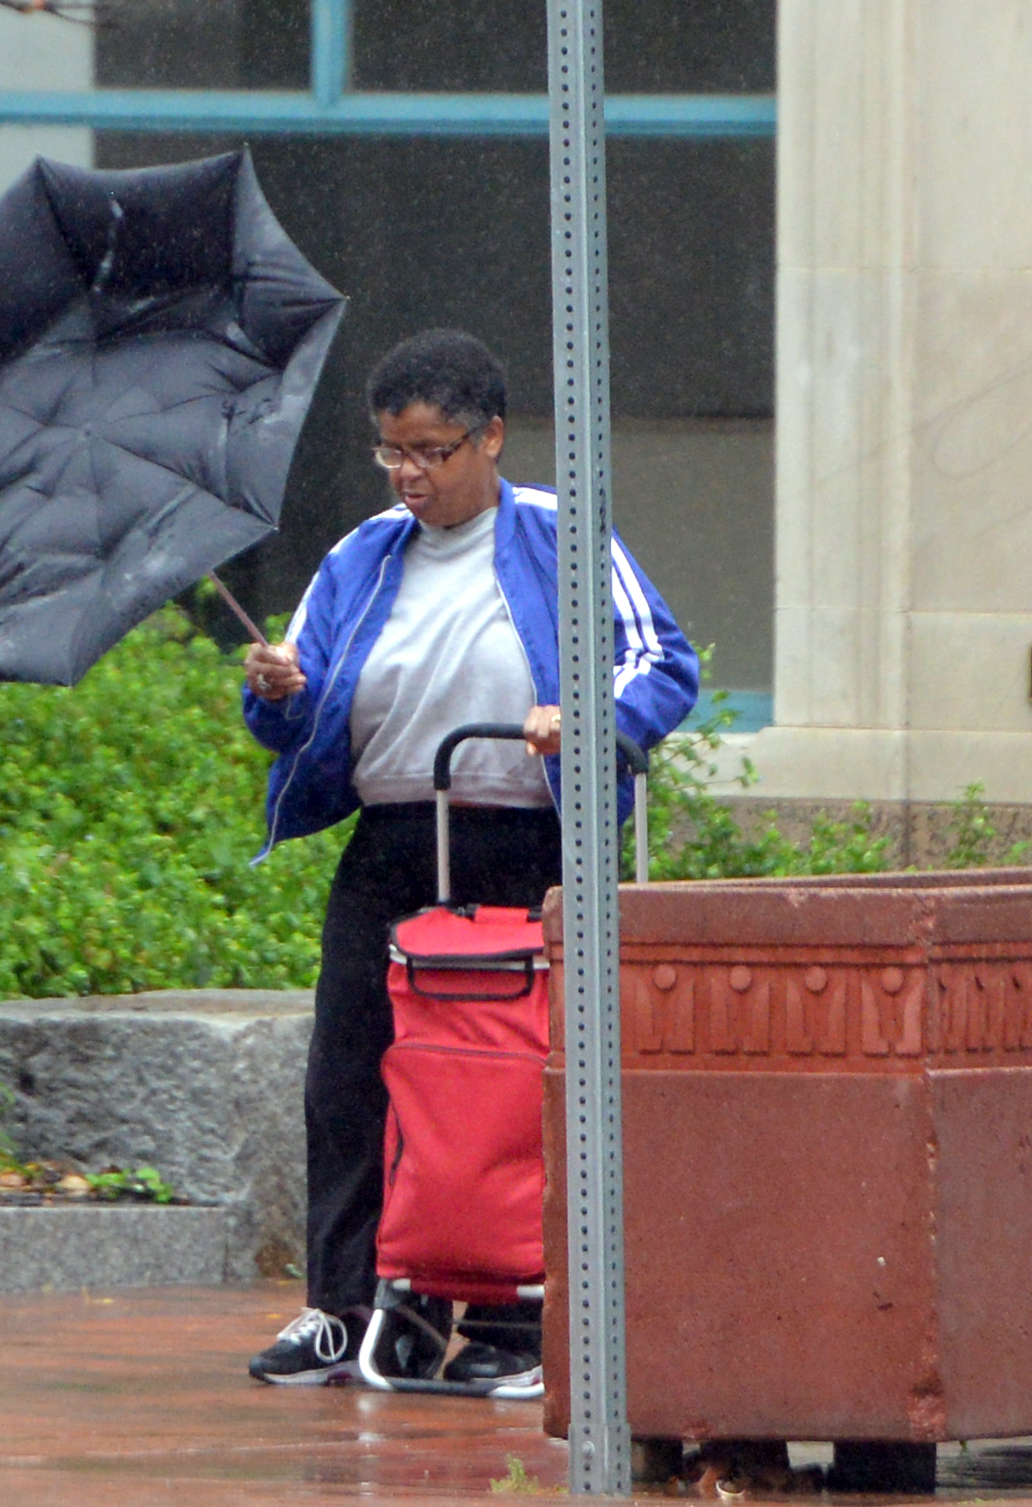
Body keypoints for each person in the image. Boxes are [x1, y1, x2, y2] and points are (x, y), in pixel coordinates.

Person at [240, 329, 697, 1389]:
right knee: (349, 1072)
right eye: (391, 453)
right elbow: (298, 711)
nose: (410, 475)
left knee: (502, 1082)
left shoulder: (557, 534)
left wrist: (581, 718)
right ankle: (339, 1304)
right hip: (396, 837)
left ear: (490, 436)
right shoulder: (360, 552)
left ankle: (506, 1317)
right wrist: (274, 691)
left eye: (433, 451)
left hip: (523, 841)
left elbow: (657, 663)